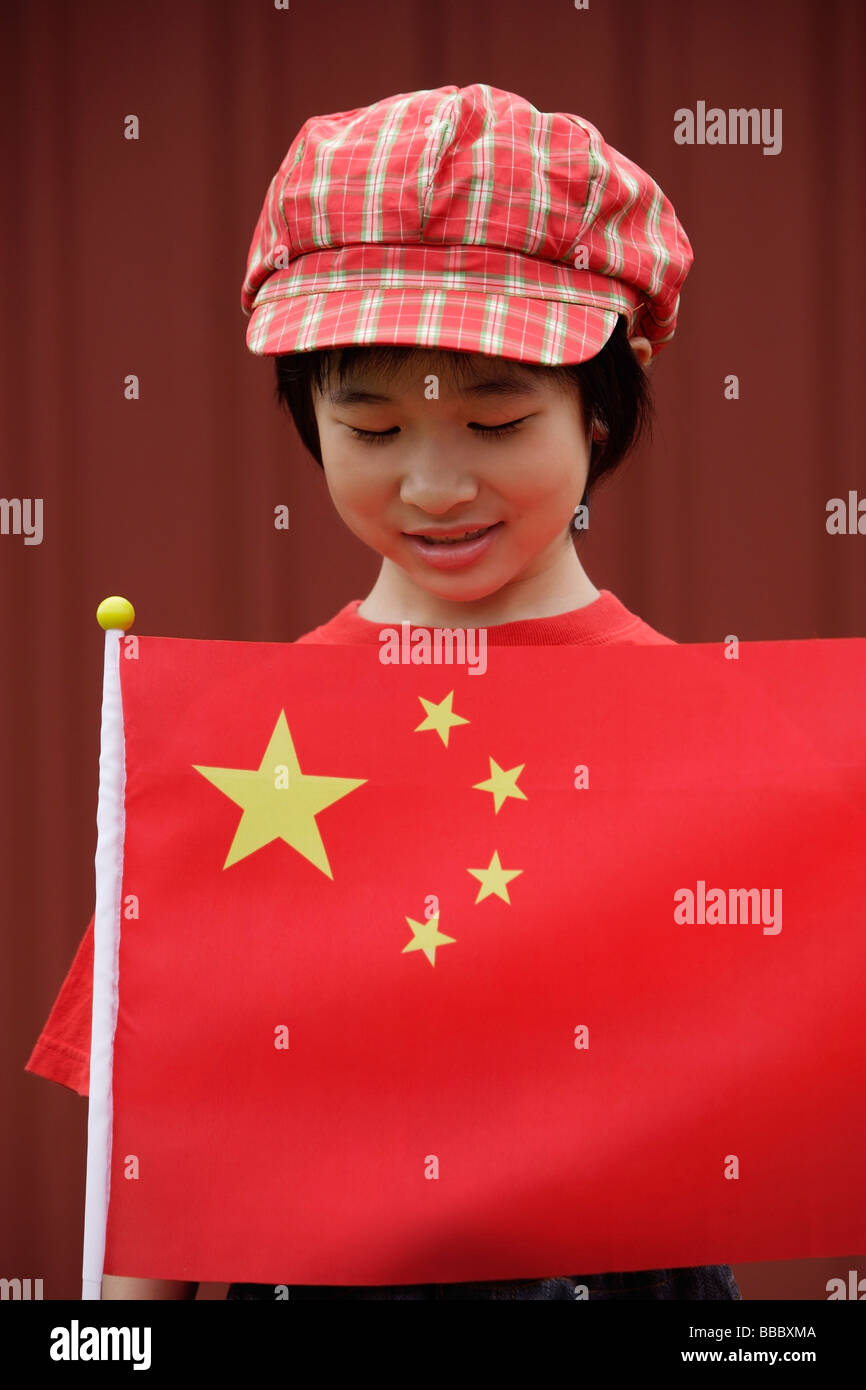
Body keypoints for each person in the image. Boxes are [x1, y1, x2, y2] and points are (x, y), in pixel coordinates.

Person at [25, 82, 741, 1301]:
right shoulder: (231, 748)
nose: (433, 483)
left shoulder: (714, 735)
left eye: (498, 416)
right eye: (369, 428)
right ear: (305, 416)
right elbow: (157, 1149)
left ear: (603, 406)